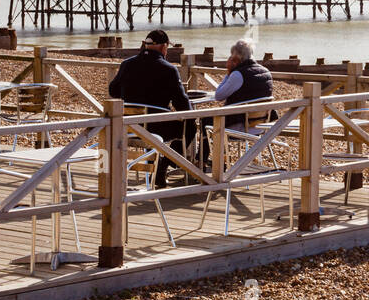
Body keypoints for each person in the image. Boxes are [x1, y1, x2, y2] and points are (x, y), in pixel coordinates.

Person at [109, 29, 196, 188]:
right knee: (190, 126)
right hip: (157, 127)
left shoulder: (127, 64)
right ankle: (163, 165)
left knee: (155, 124)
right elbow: (182, 104)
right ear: (164, 47)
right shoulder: (168, 69)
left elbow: (113, 91)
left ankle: (154, 167)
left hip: (130, 126)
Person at [211, 39, 274, 129]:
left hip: (240, 126)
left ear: (236, 58)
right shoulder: (266, 72)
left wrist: (229, 72)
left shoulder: (238, 75)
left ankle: (208, 143)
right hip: (261, 125)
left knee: (205, 120)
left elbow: (218, 96)